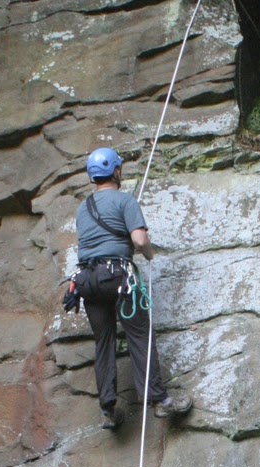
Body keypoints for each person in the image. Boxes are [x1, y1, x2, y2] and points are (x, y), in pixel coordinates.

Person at [66, 147, 192, 430]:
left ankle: (108, 410)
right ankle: (159, 400)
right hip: (118, 276)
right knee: (139, 335)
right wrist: (149, 254)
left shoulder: (83, 208)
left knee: (104, 340)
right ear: (116, 171)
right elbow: (139, 239)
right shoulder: (125, 201)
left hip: (87, 280)